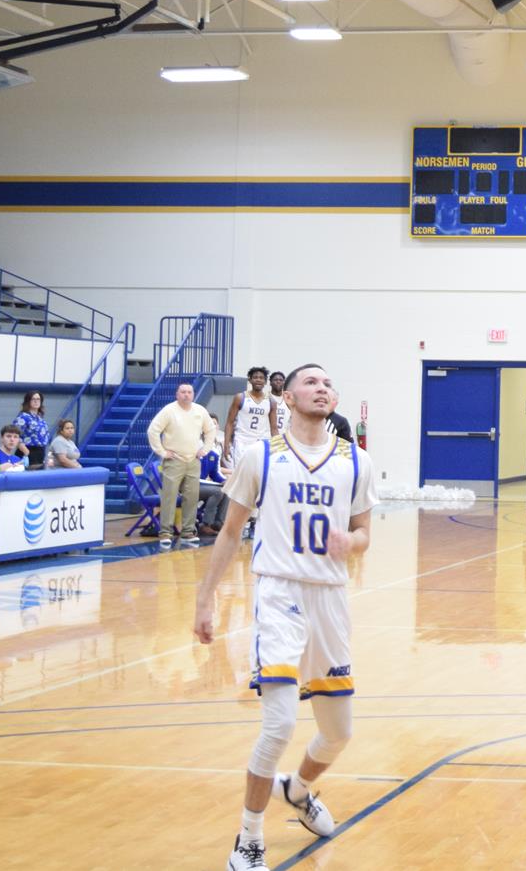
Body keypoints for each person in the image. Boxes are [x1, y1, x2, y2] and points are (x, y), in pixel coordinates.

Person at [194, 363, 374, 871]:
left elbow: (364, 534)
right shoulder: (260, 456)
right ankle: (248, 837)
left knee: (339, 732)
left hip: (332, 598)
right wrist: (205, 600)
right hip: (279, 592)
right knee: (278, 725)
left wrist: (350, 543)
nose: (322, 388)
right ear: (288, 397)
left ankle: (297, 789)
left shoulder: (356, 462)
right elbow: (230, 533)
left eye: (328, 383)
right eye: (311, 382)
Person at [149, 382, 218, 548]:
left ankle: (188, 531)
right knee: (169, 497)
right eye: (183, 392)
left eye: (189, 392)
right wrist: (162, 452)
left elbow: (210, 430)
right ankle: (165, 532)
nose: (186, 395)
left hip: (193, 460)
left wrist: (205, 449)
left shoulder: (200, 411)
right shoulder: (169, 410)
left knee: (191, 497)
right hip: (174, 460)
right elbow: (153, 431)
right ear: (177, 394)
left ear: (193, 394)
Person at [223, 367, 279, 470]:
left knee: (259, 474)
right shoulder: (240, 397)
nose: (258, 380)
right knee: (240, 473)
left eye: (261, 378)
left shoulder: (271, 401)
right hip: (242, 441)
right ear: (250, 380)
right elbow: (229, 422)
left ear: (265, 381)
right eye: (255, 377)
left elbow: (274, 428)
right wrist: (226, 445)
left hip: (261, 442)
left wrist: (278, 447)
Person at [13, 390, 51, 465]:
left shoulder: (40, 419)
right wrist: (26, 452)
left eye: (38, 399)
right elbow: (15, 435)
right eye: (33, 399)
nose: (36, 401)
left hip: (40, 451)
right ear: (28, 401)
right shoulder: (23, 417)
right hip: (28, 450)